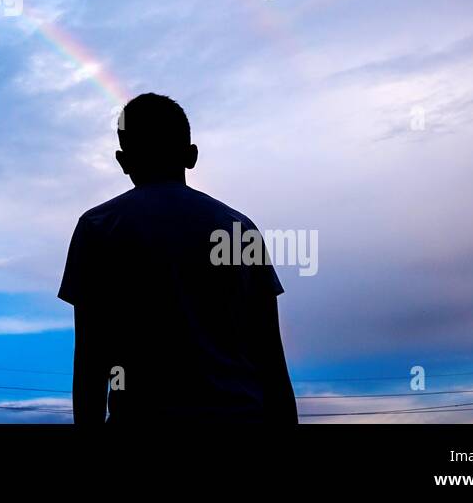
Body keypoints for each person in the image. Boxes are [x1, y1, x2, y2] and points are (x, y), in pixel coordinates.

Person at [58, 93, 297, 423]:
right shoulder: (239, 228)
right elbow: (271, 356)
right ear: (191, 155)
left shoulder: (98, 229)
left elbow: (91, 359)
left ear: (123, 160)